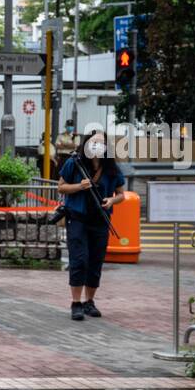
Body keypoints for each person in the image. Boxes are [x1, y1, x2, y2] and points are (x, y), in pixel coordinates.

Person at [58, 130, 126, 320]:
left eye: (101, 143)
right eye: (93, 142)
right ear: (86, 144)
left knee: (95, 261)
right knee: (79, 260)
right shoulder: (75, 163)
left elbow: (121, 194)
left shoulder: (111, 168)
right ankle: (76, 303)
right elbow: (61, 186)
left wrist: (112, 201)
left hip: (100, 220)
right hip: (77, 218)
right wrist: (80, 186)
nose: (96, 146)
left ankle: (90, 302)